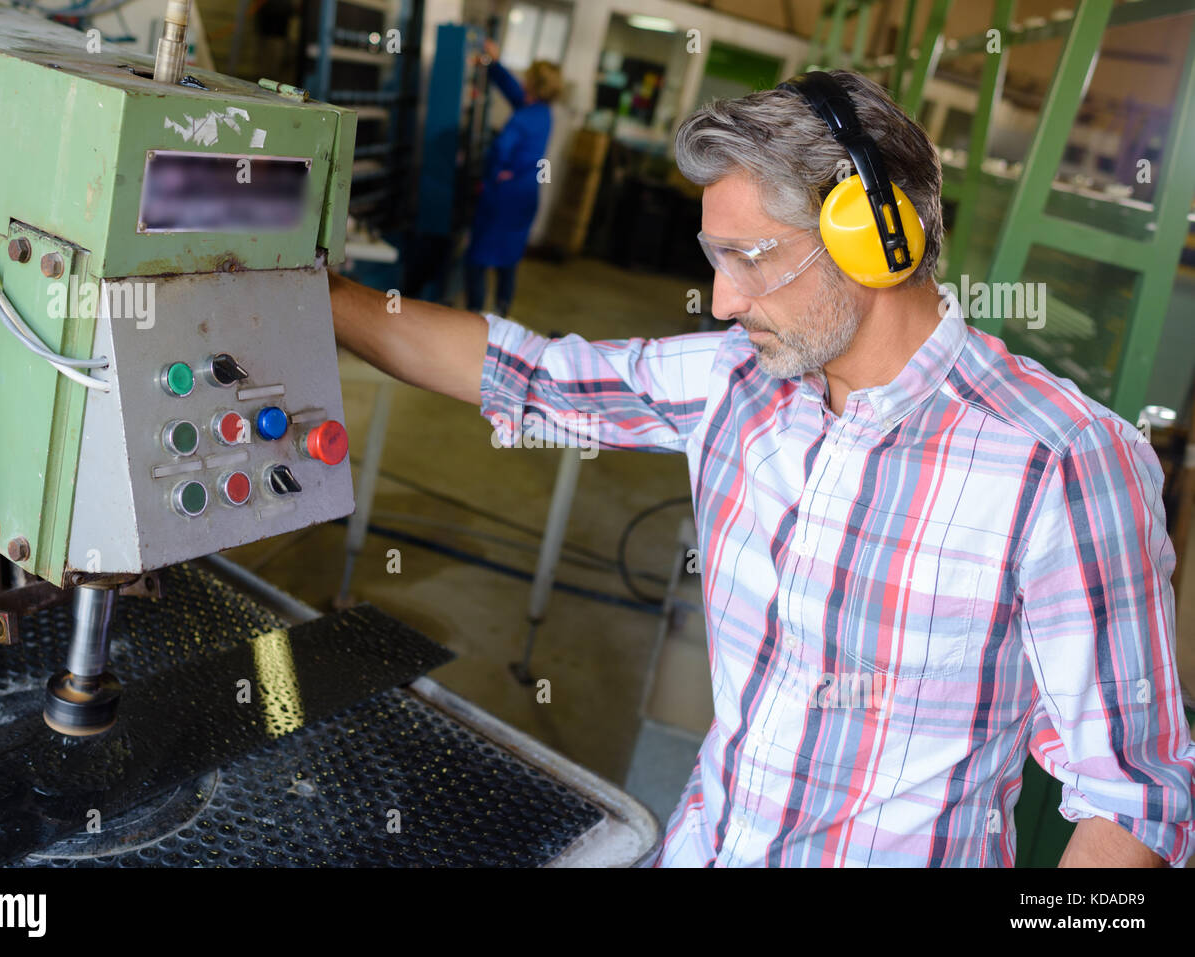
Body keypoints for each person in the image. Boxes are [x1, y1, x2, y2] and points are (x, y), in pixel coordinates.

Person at [327, 70, 1195, 867]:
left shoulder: (1060, 462)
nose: (724, 300)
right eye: (716, 257)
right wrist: (302, 292)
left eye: (752, 257)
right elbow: (528, 374)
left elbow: (1133, 802)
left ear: (876, 239)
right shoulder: (739, 383)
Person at [465, 41, 561, 317]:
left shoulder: (522, 119)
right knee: (508, 262)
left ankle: (475, 318)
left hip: (503, 198)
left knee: (478, 260)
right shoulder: (542, 113)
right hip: (526, 196)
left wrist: (492, 172)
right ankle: (502, 315)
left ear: (534, 82)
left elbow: (500, 148)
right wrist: (493, 64)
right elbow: (514, 91)